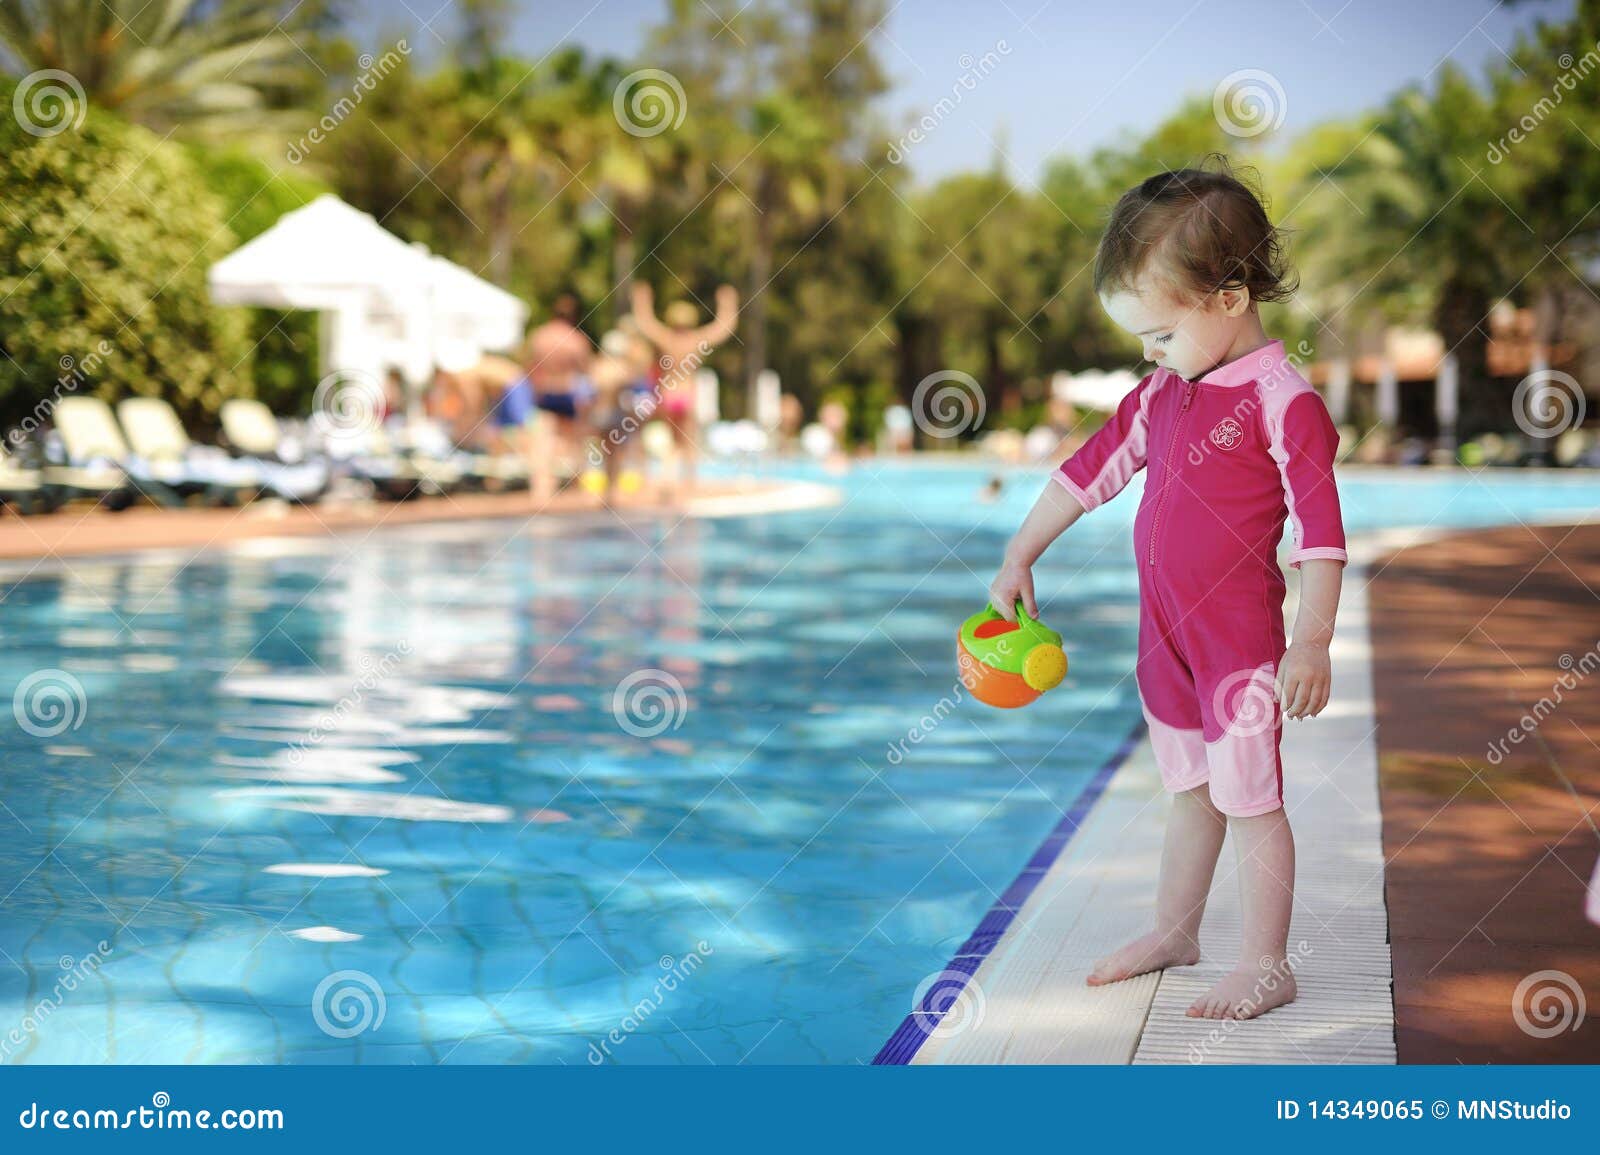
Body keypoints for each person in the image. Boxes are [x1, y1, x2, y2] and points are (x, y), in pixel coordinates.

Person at [988, 159, 1346, 1022]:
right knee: (1190, 792)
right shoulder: (1161, 394)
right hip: (1166, 646)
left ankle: (1266, 962)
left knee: (1251, 801)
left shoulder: (1281, 402)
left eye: (1158, 332)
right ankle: (1175, 930)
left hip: (1237, 650)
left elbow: (1321, 532)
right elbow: (1087, 473)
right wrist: (1019, 553)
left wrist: (1312, 640)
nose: (1150, 353)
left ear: (1228, 298)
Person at [628, 280, 738, 499]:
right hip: (687, 394)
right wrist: (728, 303)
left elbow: (645, 323)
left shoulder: (667, 339)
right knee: (688, 442)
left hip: (668, 394)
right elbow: (724, 328)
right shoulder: (696, 340)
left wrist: (642, 300)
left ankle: (667, 480)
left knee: (671, 441)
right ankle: (688, 484)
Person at [521, 293, 597, 500]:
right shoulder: (576, 340)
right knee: (576, 441)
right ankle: (577, 485)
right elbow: (587, 370)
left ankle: (541, 489)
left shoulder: (540, 336)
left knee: (543, 440)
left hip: (545, 391)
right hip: (568, 392)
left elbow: (529, 366)